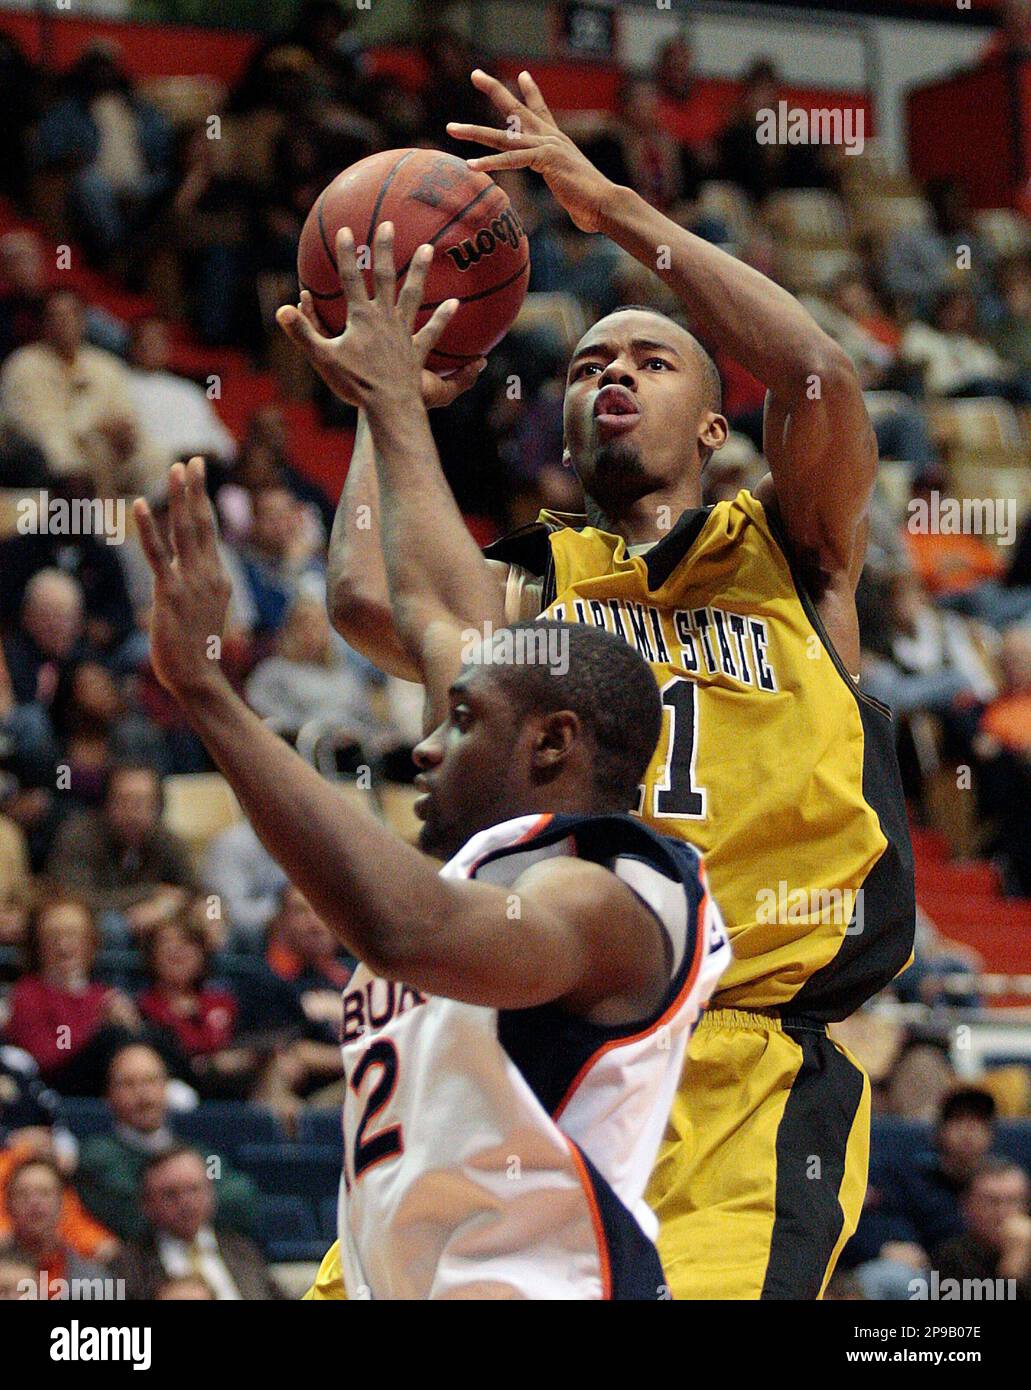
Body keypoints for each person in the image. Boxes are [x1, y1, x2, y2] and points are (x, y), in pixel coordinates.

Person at [280, 68, 916, 1300]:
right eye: (582, 366)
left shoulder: (793, 554)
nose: (609, 372)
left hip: (740, 1065)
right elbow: (372, 595)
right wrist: (387, 391)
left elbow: (820, 378)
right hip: (530, 1020)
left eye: (647, 360)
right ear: (561, 425)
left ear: (714, 426)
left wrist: (614, 209)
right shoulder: (534, 580)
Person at [131, 455, 731, 1299]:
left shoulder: (609, 890)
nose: (424, 745)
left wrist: (207, 694)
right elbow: (390, 601)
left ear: (552, 743)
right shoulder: (474, 877)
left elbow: (402, 929)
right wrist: (383, 405)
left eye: (461, 718)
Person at [75, 1042, 258, 1243]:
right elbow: (134, 1218)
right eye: (128, 1084)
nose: (142, 1094)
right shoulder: (98, 1157)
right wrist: (199, 1203)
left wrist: (175, 1206)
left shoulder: (200, 1154)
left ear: (166, 1087)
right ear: (109, 1095)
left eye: (150, 1081)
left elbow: (241, 1196)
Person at [3, 892, 143, 1096]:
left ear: (91, 942)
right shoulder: (28, 994)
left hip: (109, 1091)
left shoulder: (104, 995)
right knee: (114, 1036)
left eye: (74, 935)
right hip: (56, 1088)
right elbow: (51, 1058)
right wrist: (98, 1027)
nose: (64, 947)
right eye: (53, 937)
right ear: (38, 945)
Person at [111, 1146, 283, 1301]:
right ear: (147, 1204)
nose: (186, 1203)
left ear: (211, 1193)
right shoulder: (129, 1265)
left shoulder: (242, 1250)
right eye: (171, 1194)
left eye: (194, 1189)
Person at [0, 1156, 107, 1300]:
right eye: (23, 1194)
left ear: (63, 1203)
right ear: (8, 1205)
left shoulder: (92, 1279)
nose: (34, 1202)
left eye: (45, 1193)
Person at [932, 1157, 1031, 1299]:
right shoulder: (950, 1258)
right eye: (991, 1202)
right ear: (966, 1206)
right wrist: (1013, 1269)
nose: (1002, 1213)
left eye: (1013, 1201)